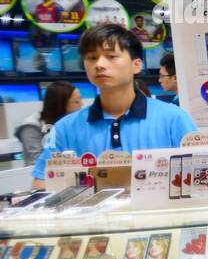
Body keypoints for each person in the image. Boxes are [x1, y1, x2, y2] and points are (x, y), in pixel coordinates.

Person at [32, 24, 197, 187]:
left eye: (111, 56)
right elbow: (41, 182)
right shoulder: (65, 128)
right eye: (91, 57)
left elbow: (199, 178)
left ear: (136, 65)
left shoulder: (173, 119)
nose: (99, 65)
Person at [14, 80, 81, 165]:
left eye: (80, 99)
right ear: (61, 104)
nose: (81, 105)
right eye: (76, 102)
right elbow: (36, 162)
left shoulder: (71, 123)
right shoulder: (31, 127)